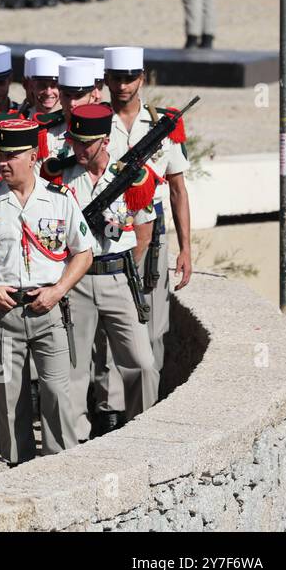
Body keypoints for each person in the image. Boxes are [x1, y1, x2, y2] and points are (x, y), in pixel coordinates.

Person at [0, 118, 94, 465]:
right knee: (10, 398)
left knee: (58, 393)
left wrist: (58, 290)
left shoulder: (59, 199)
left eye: (13, 154)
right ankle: (20, 469)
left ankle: (61, 468)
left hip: (48, 308)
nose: (4, 162)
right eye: (0, 153)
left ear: (33, 156)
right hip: (4, 311)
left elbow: (84, 252)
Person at [47, 104, 158, 441]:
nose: (79, 149)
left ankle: (144, 435)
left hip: (116, 276)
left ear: (105, 141)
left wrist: (125, 270)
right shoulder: (60, 175)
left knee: (141, 362)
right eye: (75, 141)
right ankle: (73, 443)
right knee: (74, 369)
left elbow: (144, 230)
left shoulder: (128, 176)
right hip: (75, 278)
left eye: (87, 143)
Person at [102, 45, 192, 379]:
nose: (123, 86)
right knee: (107, 325)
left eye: (130, 78)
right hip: (106, 231)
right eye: (116, 78)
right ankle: (108, 408)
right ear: (106, 79)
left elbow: (178, 189)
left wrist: (186, 248)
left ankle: (147, 404)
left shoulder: (162, 124)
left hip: (152, 233)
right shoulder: (94, 122)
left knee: (153, 324)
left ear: (142, 78)